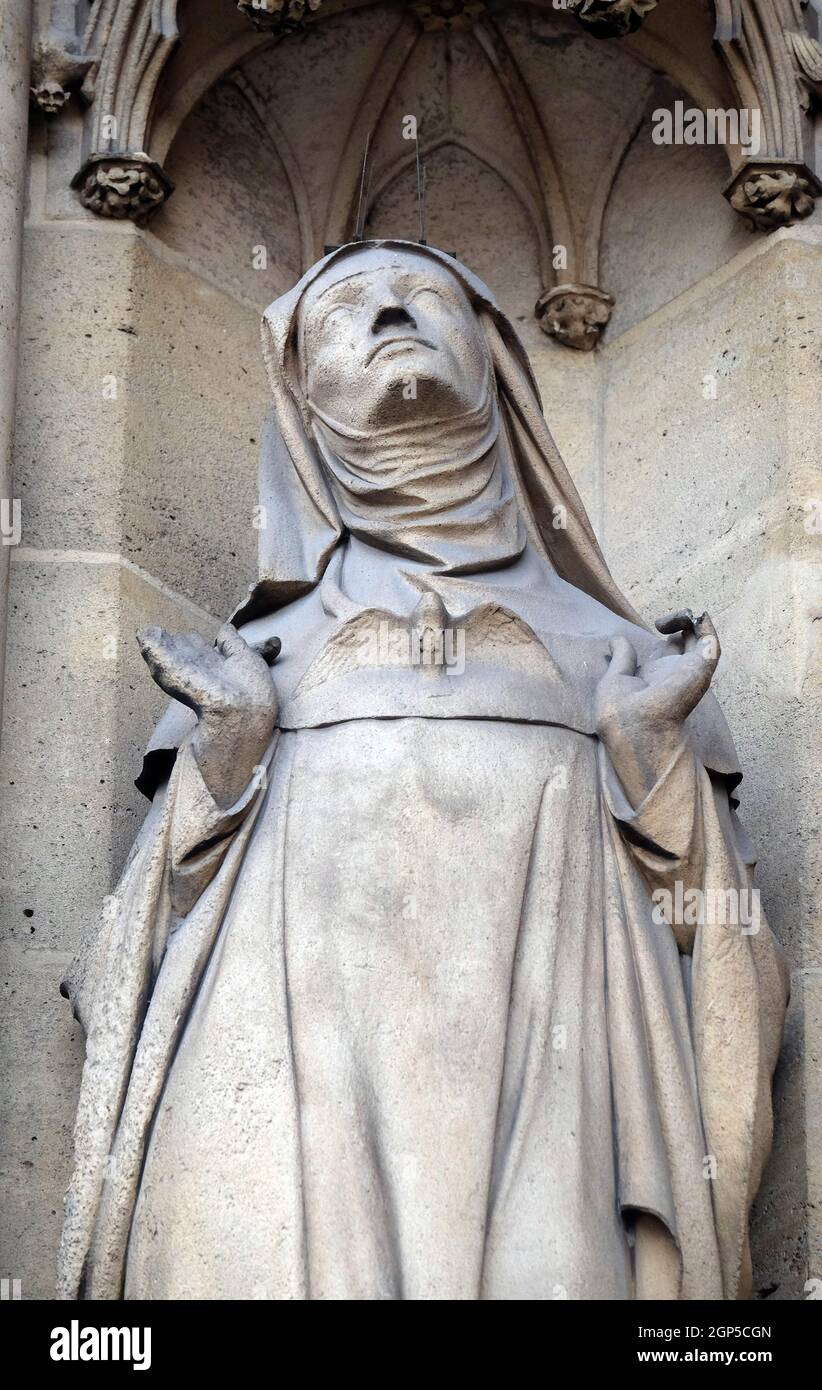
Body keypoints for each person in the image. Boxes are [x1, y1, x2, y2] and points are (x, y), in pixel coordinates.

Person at [58, 241, 787, 1301]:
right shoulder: (255, 659)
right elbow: (134, 966)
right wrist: (224, 755)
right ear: (299, 390)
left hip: (553, 1112)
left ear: (494, 363)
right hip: (277, 1117)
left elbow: (726, 966)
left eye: (427, 295)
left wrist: (652, 770)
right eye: (348, 304)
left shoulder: (615, 657)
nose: (392, 311)